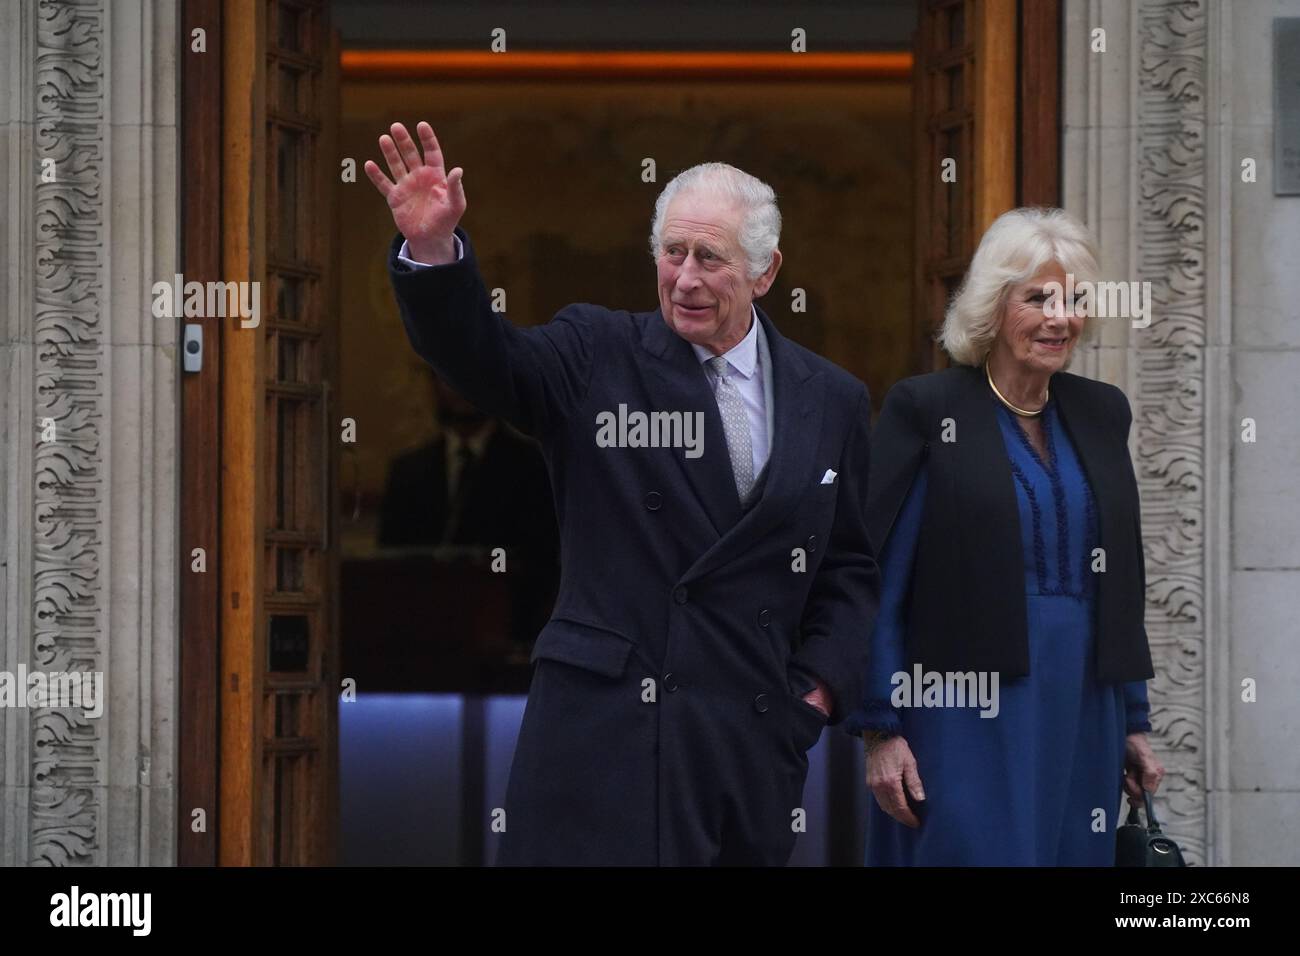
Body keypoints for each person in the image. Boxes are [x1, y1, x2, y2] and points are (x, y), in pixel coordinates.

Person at [365, 121, 880, 865]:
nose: (686, 278)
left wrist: (813, 696)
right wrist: (436, 255)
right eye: (672, 253)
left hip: (744, 749)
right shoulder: (596, 354)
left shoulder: (831, 398)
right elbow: (483, 357)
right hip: (601, 743)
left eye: (711, 257)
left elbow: (849, 569)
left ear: (766, 272)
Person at [848, 207, 1165, 865]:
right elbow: (876, 577)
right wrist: (880, 728)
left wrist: (1133, 722)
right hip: (963, 716)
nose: (1060, 317)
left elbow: (1117, 583)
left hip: (1084, 710)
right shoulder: (928, 410)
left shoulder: (1101, 413)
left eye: (1075, 299)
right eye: (1039, 298)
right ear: (995, 306)